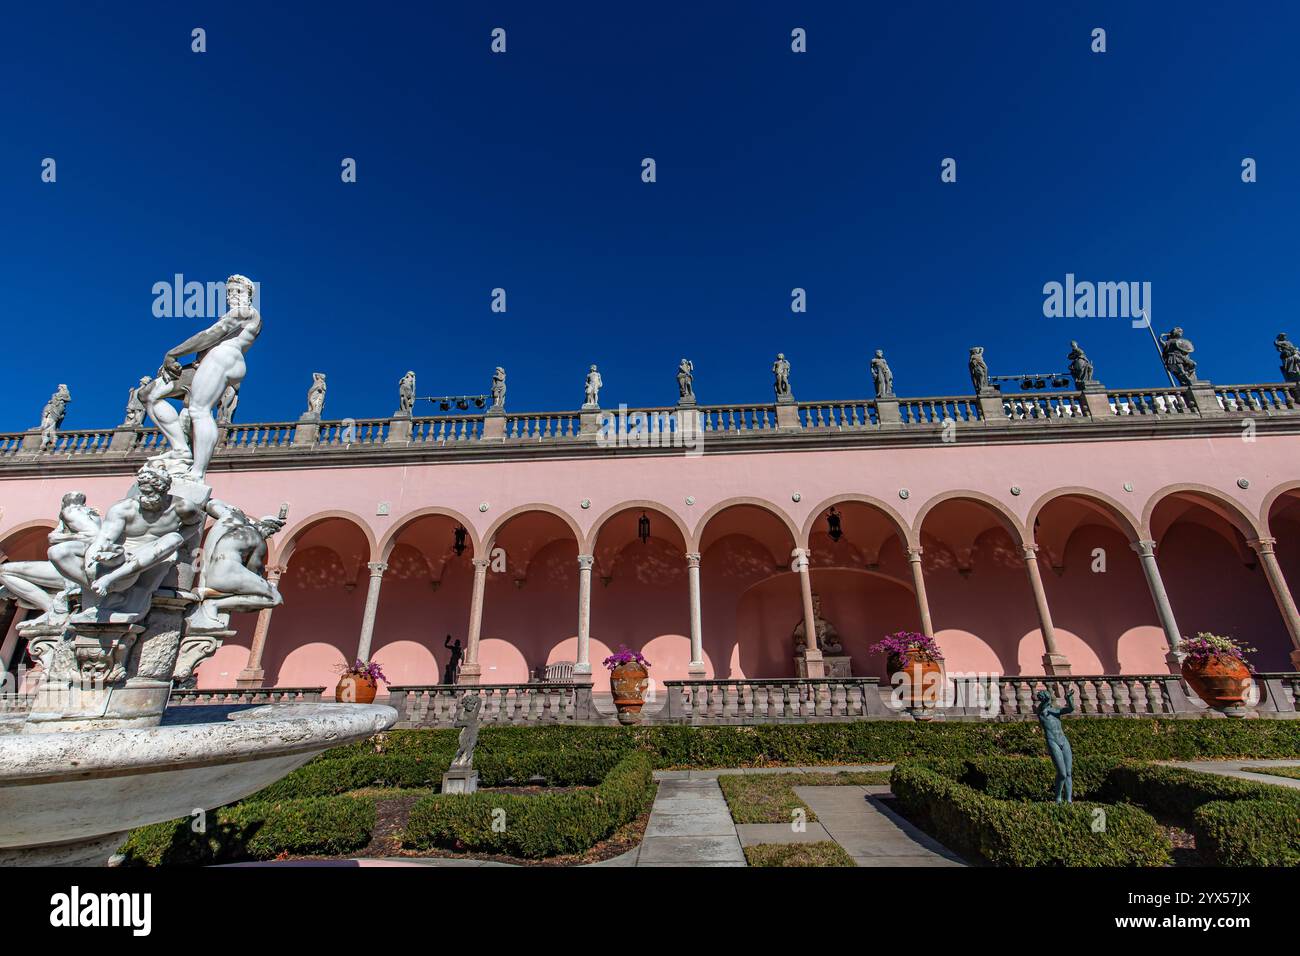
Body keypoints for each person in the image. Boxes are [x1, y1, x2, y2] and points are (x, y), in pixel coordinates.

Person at [1034, 688, 1075, 803]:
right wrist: (1046, 699)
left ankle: (1069, 800)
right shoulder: (1041, 711)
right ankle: (1058, 798)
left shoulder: (1055, 710)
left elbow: (1071, 709)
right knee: (1062, 774)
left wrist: (1069, 698)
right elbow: (1045, 703)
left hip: (1063, 741)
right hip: (1053, 742)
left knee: (1068, 773)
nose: (1047, 698)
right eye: (1044, 696)